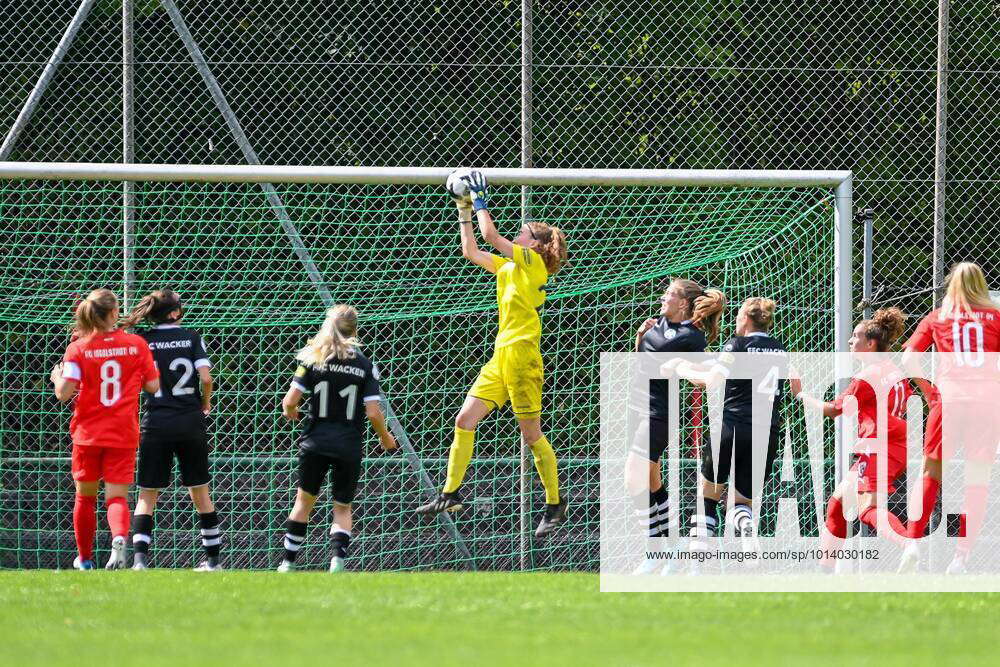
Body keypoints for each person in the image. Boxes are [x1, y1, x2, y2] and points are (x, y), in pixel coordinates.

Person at [414, 170, 570, 538]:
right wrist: (464, 207)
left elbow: (490, 236)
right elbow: (471, 249)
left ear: (534, 245)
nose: (518, 235)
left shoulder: (532, 264)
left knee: (531, 435)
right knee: (464, 419)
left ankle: (554, 502)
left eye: (524, 233)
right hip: (501, 357)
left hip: (522, 357)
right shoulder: (511, 266)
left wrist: (482, 198)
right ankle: (450, 493)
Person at [667, 297, 797, 554]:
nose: (735, 320)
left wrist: (681, 368)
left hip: (733, 427)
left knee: (708, 495)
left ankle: (697, 560)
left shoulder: (736, 344)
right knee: (742, 501)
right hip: (766, 433)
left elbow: (711, 380)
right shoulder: (780, 350)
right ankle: (746, 525)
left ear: (746, 319)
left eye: (737, 316)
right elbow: (792, 383)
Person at [277, 305, 396, 572]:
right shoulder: (364, 365)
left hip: (315, 442)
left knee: (303, 502)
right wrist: (385, 437)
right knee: (342, 506)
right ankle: (337, 562)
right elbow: (374, 413)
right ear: (355, 330)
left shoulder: (311, 360)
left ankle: (287, 563)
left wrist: (292, 412)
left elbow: (288, 402)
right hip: (348, 444)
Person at [898, 262, 1000, 574]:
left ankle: (913, 541)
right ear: (982, 285)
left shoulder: (937, 317)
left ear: (950, 286)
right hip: (986, 401)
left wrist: (928, 391)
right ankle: (961, 558)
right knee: (977, 480)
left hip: (948, 399)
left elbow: (908, 359)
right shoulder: (996, 317)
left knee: (930, 472)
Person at [50, 289, 160, 569]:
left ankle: (85, 560)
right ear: (114, 313)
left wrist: (57, 377)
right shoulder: (136, 344)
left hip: (88, 432)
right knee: (117, 497)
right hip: (122, 431)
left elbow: (64, 393)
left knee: (85, 497)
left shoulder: (79, 347)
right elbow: (153, 386)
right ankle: (120, 538)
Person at [797, 308, 912, 571]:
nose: (850, 341)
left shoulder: (867, 375)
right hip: (888, 447)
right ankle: (824, 572)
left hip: (879, 449)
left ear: (871, 344)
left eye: (856, 337)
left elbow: (832, 410)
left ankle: (908, 544)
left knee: (866, 509)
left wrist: (801, 395)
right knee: (837, 504)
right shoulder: (893, 370)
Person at [118, 289, 221, 571]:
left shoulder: (143, 341)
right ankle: (213, 562)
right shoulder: (191, 337)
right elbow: (207, 377)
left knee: (147, 495)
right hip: (190, 421)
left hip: (157, 422)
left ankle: (140, 560)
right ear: (174, 313)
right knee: (200, 493)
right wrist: (205, 403)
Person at [626, 279, 725, 547]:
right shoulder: (655, 324)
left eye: (669, 293)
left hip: (658, 413)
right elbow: (644, 363)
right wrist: (639, 336)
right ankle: (670, 546)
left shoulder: (691, 336)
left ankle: (654, 548)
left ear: (683, 303)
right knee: (650, 479)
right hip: (636, 407)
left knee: (633, 477)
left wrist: (714, 371)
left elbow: (698, 373)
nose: (662, 296)